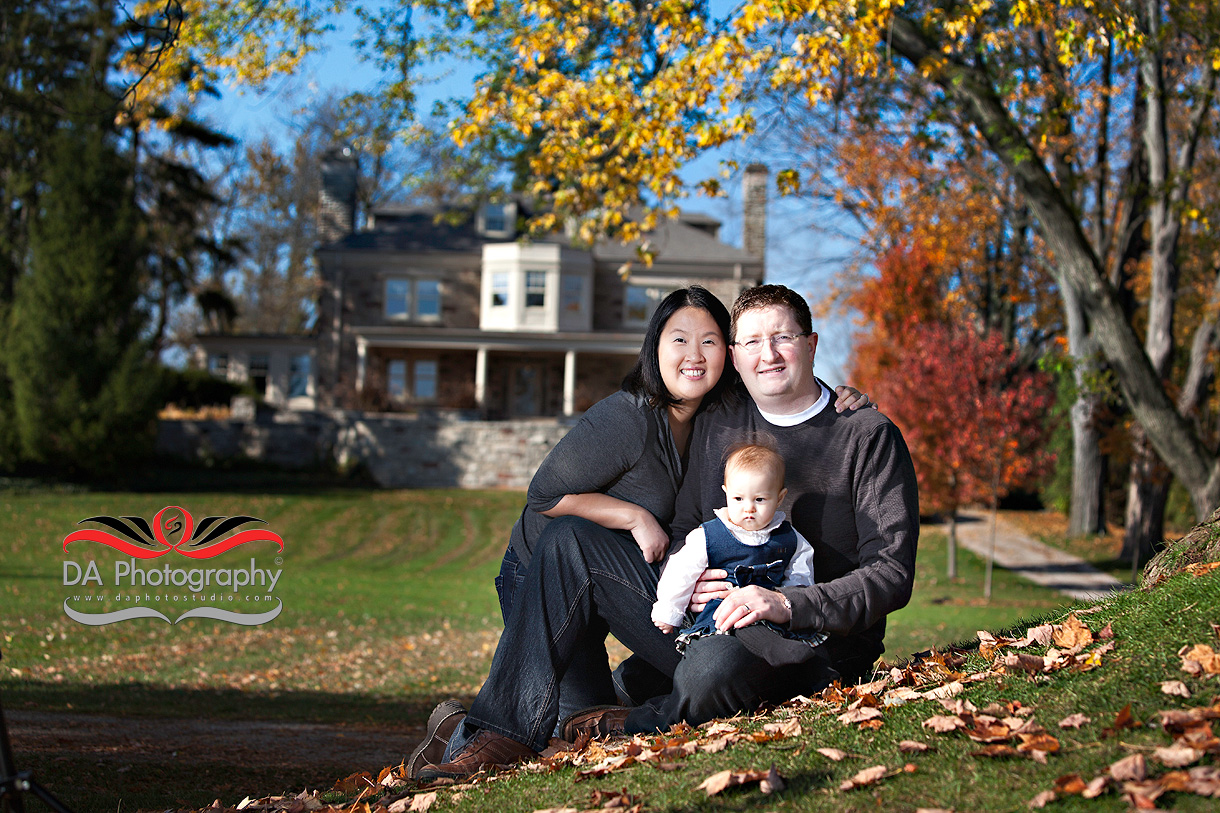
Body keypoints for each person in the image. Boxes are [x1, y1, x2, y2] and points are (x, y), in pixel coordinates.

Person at [408, 285, 880, 781]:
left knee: (577, 721)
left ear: (729, 355)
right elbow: (545, 495)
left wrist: (838, 399)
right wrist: (637, 519)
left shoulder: (719, 415)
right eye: (678, 340)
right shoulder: (629, 417)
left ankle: (458, 733)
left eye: (710, 342)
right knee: (548, 695)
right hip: (543, 570)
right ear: (655, 347)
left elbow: (784, 373)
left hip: (621, 577)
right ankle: (475, 739)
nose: (694, 356)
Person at [652, 437, 825, 663]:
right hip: (723, 612)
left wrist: (788, 599)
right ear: (726, 493)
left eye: (760, 499)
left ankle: (791, 657)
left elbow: (801, 575)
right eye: (738, 498)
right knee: (739, 626)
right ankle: (778, 651)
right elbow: (681, 571)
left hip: (767, 609)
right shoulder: (709, 536)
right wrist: (670, 609)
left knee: (764, 624)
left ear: (780, 498)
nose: (748, 508)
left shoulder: (789, 539)